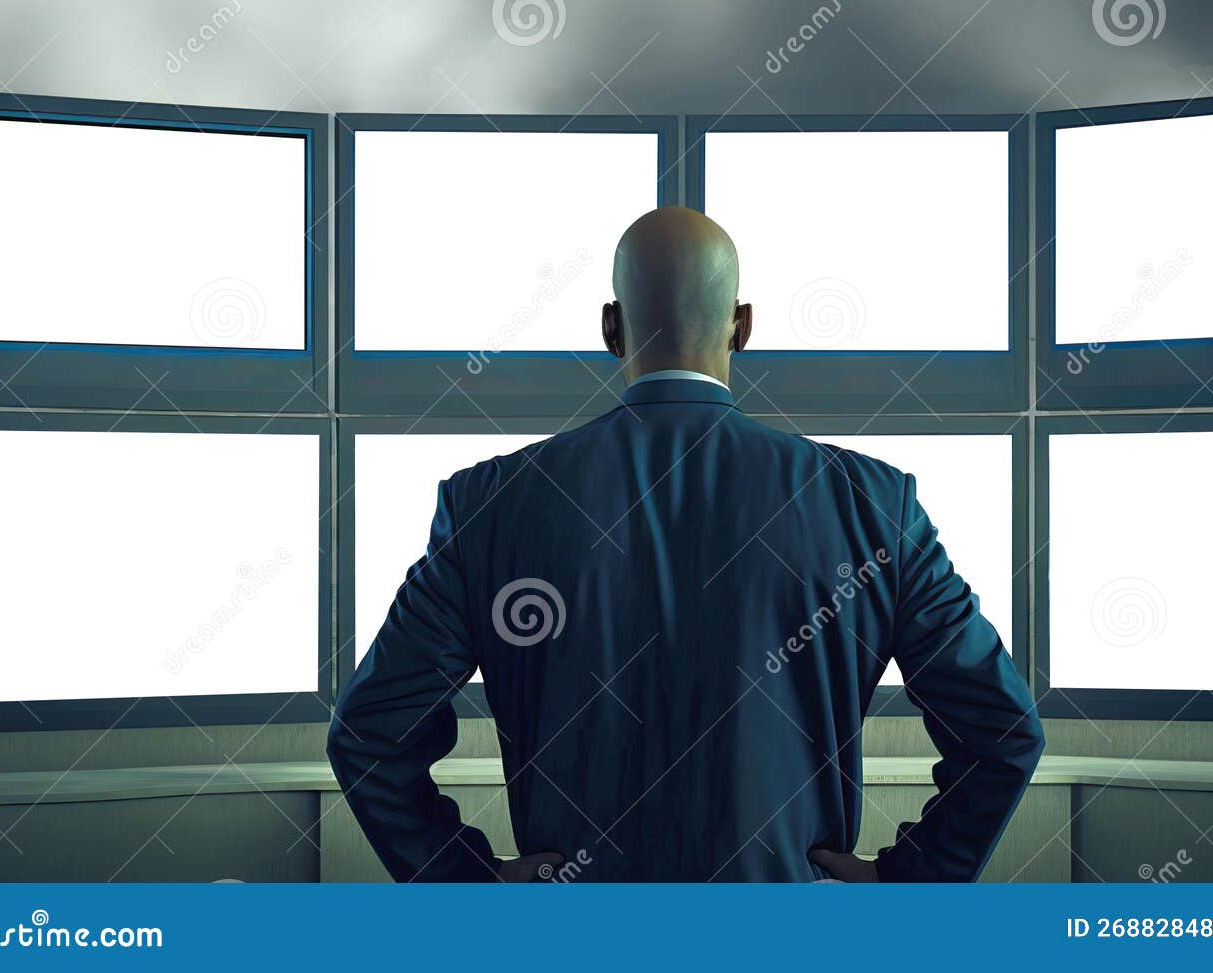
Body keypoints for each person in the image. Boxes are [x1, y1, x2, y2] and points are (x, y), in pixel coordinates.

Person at [327, 206, 1043, 882]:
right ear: (744, 325)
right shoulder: (873, 505)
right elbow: (1002, 730)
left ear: (611, 327)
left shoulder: (488, 505)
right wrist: (908, 878)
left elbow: (368, 734)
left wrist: (467, 883)